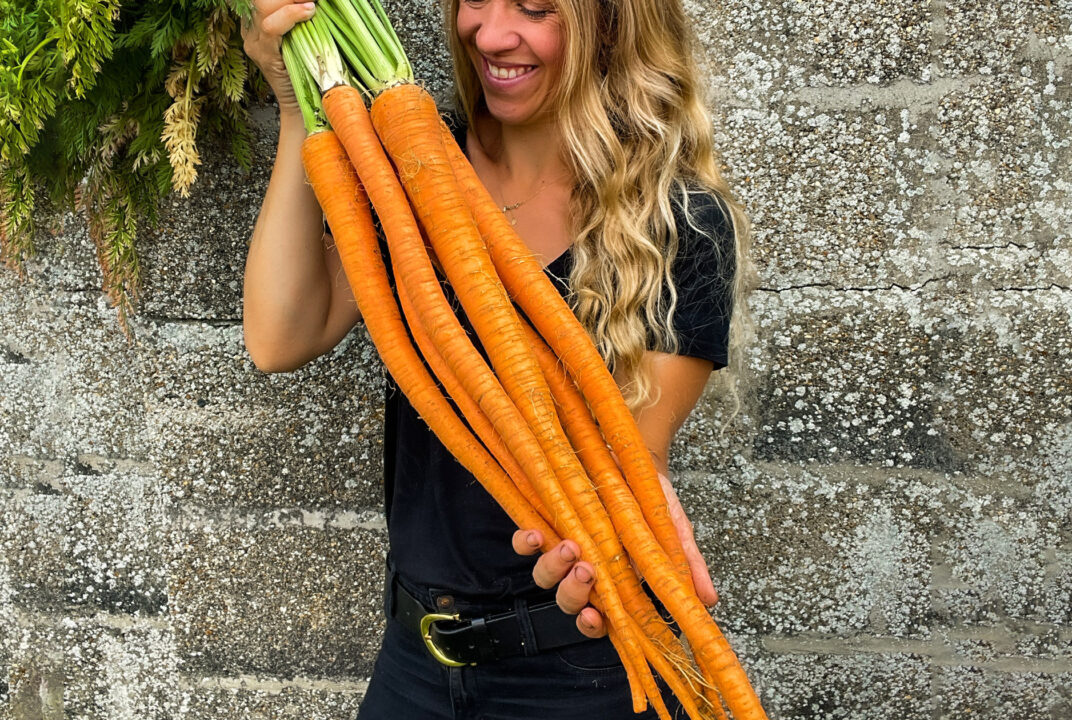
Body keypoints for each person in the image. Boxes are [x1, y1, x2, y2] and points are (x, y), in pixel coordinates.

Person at [242, 0, 752, 717]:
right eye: (475, 0)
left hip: (585, 665)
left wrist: (600, 538)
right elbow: (280, 337)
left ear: (611, 23)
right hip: (416, 662)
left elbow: (630, 464)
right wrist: (300, 112)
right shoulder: (413, 168)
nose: (490, 34)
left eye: (536, 9)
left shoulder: (678, 224)